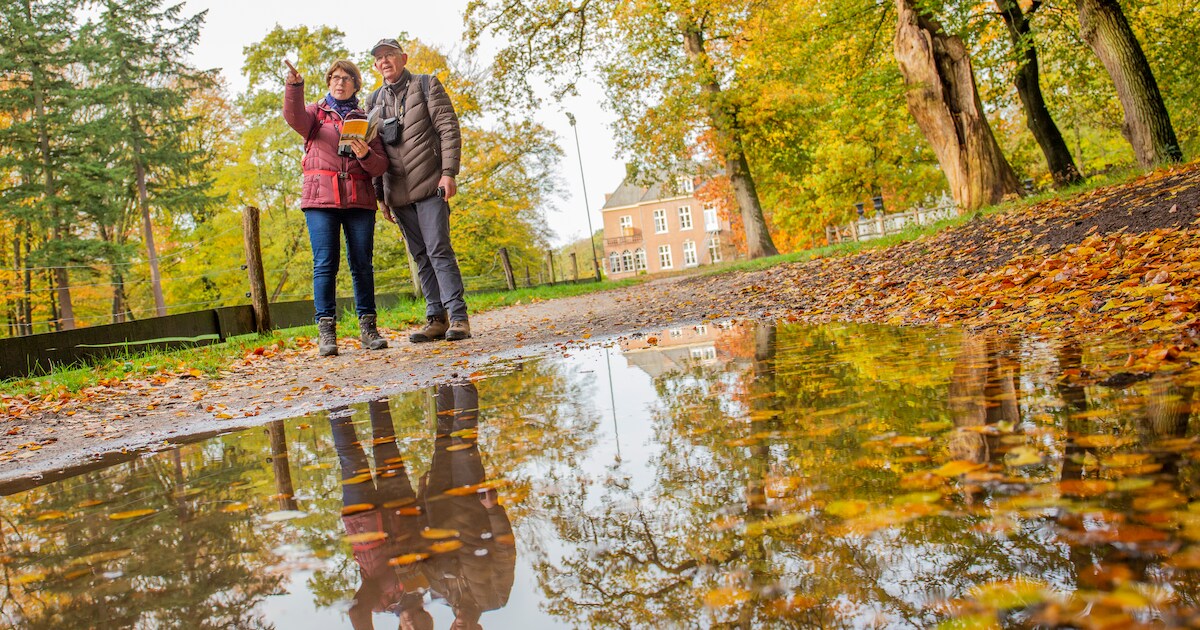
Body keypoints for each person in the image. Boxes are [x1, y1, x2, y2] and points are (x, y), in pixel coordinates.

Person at [284, 59, 391, 357]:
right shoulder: (316, 114)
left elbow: (380, 165)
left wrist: (366, 153)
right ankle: (327, 333)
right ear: (328, 81)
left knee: (362, 265)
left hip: (359, 199)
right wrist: (294, 87)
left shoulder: (367, 118)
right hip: (321, 199)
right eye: (335, 77)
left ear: (356, 85)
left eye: (346, 78)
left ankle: (369, 329)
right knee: (325, 264)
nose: (340, 82)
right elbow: (292, 117)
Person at [367, 38, 471, 343]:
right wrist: (379, 195)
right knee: (420, 255)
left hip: (430, 185)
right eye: (379, 58)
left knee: (438, 249)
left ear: (404, 57)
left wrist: (449, 173)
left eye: (390, 55)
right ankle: (436, 318)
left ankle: (459, 318)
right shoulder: (372, 102)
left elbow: (448, 128)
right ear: (375, 66)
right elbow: (373, 149)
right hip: (397, 194)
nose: (385, 61)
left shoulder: (426, 85)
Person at [329, 399, 434, 630]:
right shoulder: (427, 584)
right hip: (401, 506)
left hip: (364, 523)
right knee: (386, 443)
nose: (413, 626)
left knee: (350, 456)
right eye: (420, 629)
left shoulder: (381, 603)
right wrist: (424, 495)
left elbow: (357, 610)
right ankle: (376, 391)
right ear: (428, 622)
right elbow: (426, 535)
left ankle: (335, 398)